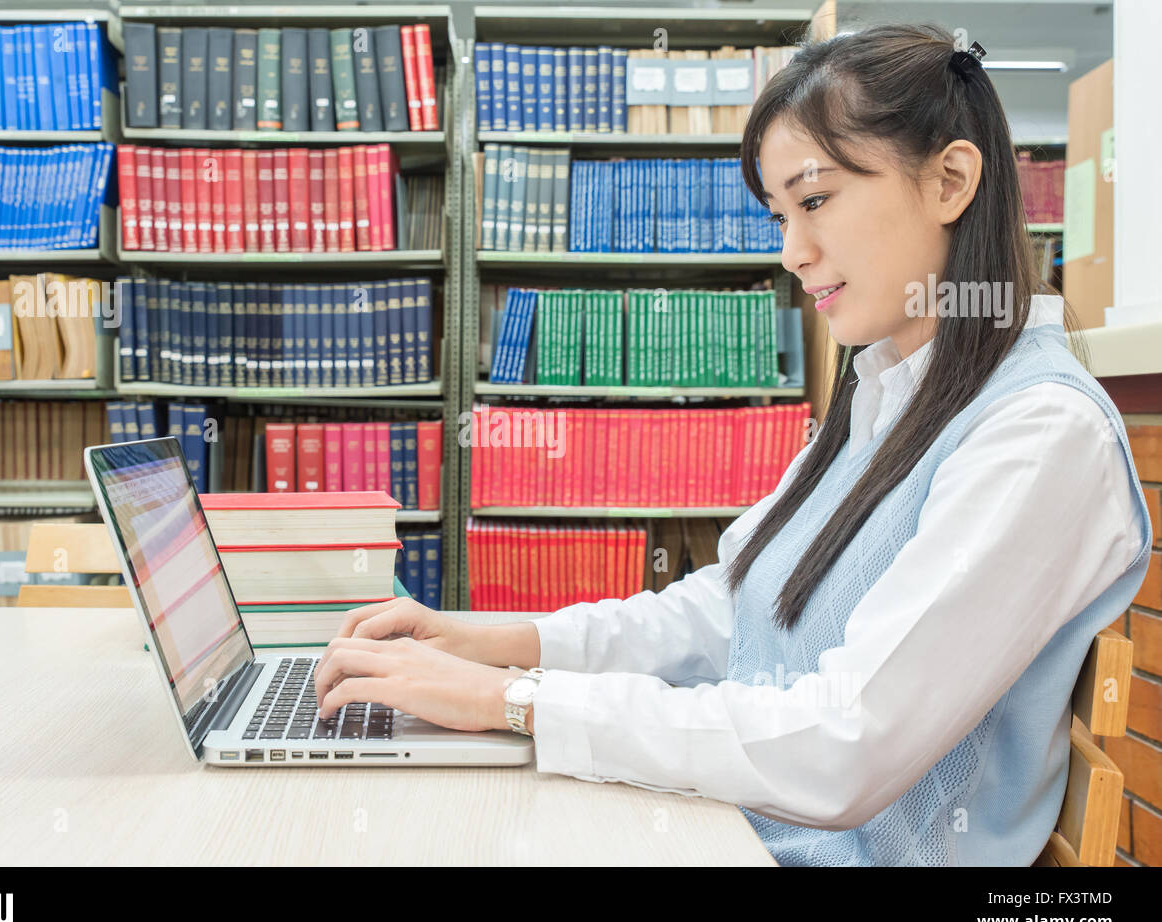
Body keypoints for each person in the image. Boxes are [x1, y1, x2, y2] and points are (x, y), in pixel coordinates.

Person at [312, 23, 1154, 865]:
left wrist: (519, 701)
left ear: (951, 179)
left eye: (815, 200)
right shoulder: (890, 387)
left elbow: (844, 744)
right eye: (781, 214)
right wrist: (492, 643)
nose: (793, 252)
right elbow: (735, 609)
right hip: (740, 834)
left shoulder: (1042, 433)